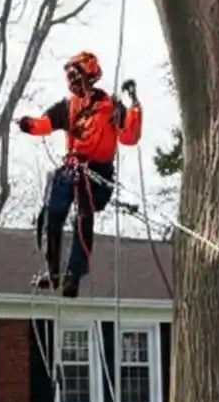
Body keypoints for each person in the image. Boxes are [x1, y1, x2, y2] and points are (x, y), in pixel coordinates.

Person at [16, 51, 142, 298]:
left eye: (76, 75)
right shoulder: (67, 107)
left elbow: (130, 136)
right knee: (50, 214)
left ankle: (74, 274)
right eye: (69, 76)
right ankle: (52, 273)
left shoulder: (109, 107)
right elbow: (45, 124)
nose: (72, 81)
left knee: (82, 217)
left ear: (89, 76)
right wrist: (26, 124)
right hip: (73, 169)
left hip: (97, 174)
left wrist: (134, 105)